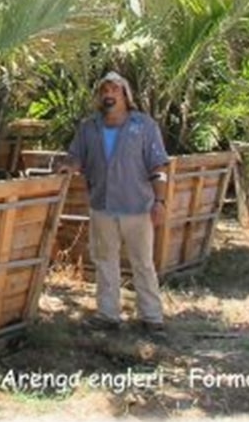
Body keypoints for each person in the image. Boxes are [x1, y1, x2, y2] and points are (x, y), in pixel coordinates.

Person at [57, 71, 169, 333]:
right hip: (102, 206)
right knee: (105, 261)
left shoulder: (143, 126)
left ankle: (152, 317)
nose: (109, 95)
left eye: (114, 91)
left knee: (142, 262)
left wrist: (160, 201)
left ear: (125, 95)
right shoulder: (89, 128)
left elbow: (159, 165)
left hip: (137, 207)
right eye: (104, 91)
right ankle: (108, 315)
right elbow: (76, 157)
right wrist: (68, 167)